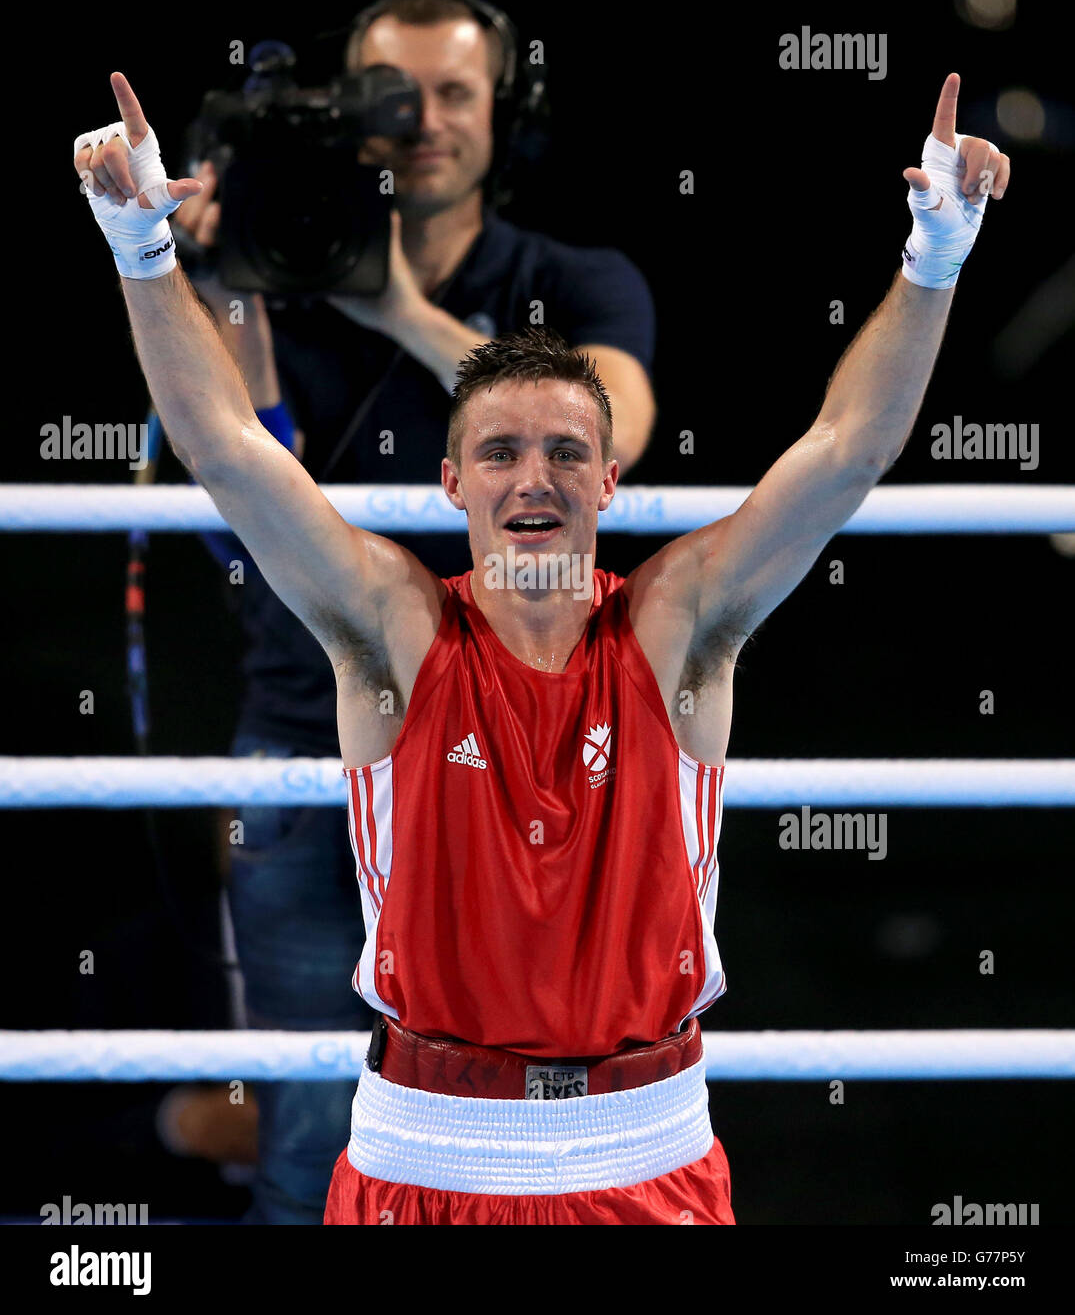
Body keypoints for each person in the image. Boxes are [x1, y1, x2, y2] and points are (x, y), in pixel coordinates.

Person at [74, 70, 1008, 1224]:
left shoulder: (680, 628)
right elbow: (224, 448)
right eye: (502, 451)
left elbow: (845, 450)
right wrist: (139, 245)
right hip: (424, 1153)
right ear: (452, 480)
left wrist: (935, 256)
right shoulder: (391, 628)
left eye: (567, 452)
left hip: (645, 1153)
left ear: (610, 480)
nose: (535, 477)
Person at [169, 0, 657, 1223]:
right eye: (396, 97)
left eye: (455, 93)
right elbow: (233, 450)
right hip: (301, 735)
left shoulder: (572, 278)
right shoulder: (269, 265)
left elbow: (616, 438)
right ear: (348, 113)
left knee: (527, 1096)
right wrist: (202, 271)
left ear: (508, 110)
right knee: (301, 1135)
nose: (426, 123)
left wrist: (392, 306)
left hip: (535, 746)